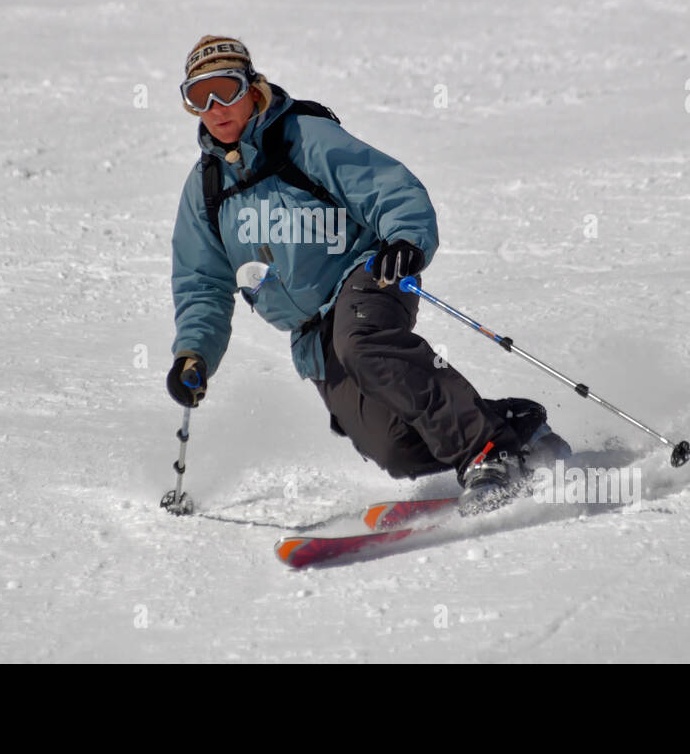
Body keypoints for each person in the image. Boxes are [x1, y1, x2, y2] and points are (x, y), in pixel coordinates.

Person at [166, 35, 570, 512]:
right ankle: (513, 425)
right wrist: (193, 353)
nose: (215, 107)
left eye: (225, 89)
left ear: (252, 87)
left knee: (360, 341)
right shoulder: (206, 187)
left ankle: (487, 451)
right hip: (311, 331)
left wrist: (405, 239)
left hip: (367, 274)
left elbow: (386, 186)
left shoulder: (302, 137)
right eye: (198, 97)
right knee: (393, 449)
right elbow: (202, 283)